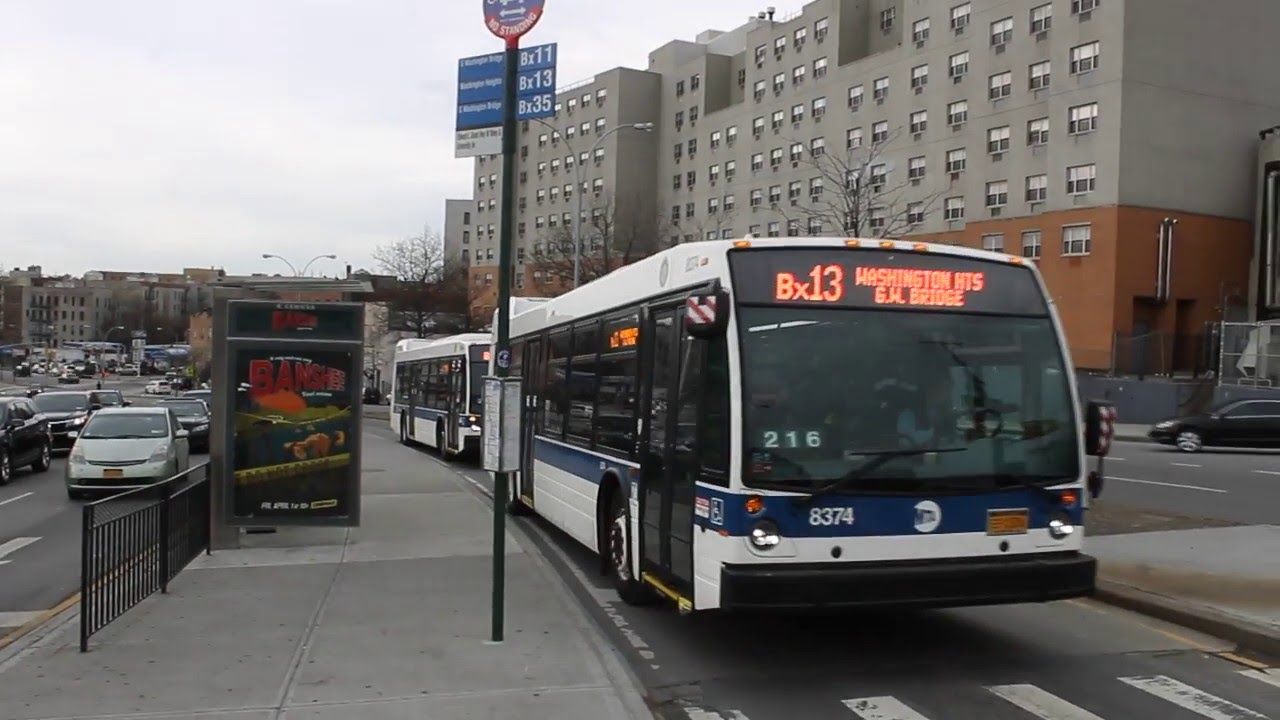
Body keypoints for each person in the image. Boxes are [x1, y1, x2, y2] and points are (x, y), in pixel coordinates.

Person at [896, 375, 954, 446]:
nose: (947, 395)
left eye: (949, 390)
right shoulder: (907, 415)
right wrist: (933, 433)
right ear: (930, 390)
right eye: (944, 390)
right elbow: (905, 443)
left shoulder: (948, 417)